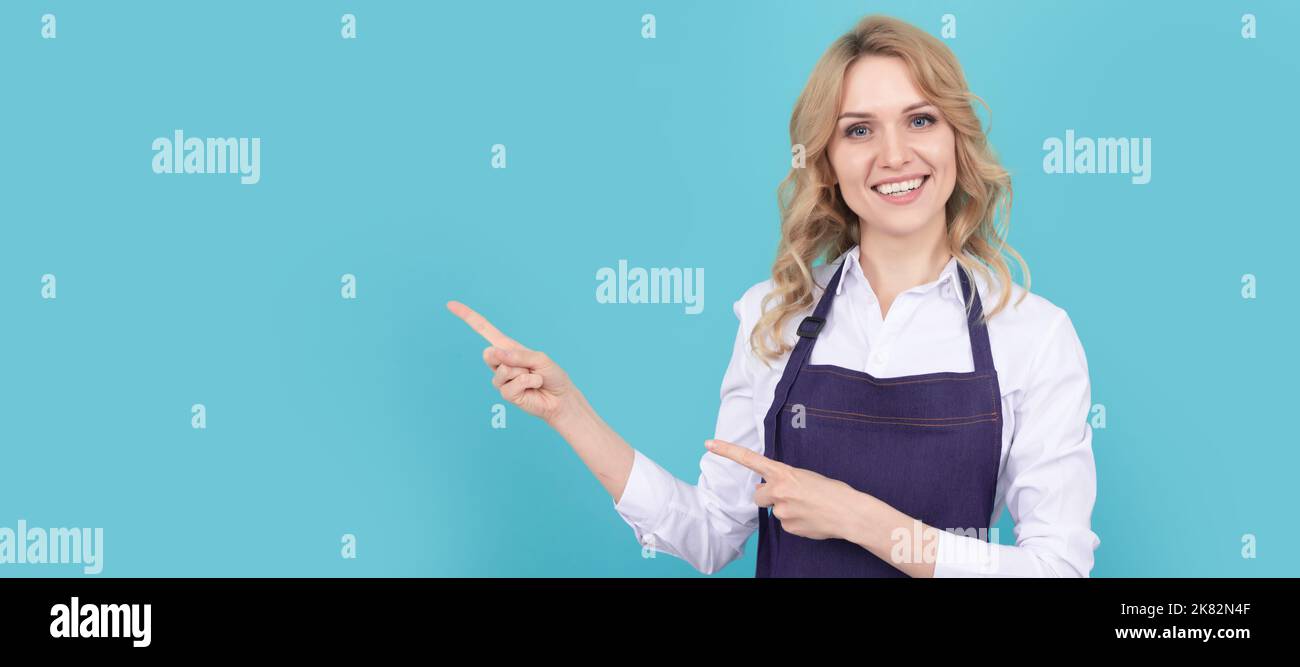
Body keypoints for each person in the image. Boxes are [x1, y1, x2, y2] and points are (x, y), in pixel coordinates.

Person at [448, 14, 1099, 577]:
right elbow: (709, 534)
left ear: (956, 138)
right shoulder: (775, 317)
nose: (895, 154)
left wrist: (866, 521)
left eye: (920, 119)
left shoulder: (1031, 334)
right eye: (859, 130)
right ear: (826, 161)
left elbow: (1058, 567)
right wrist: (571, 412)